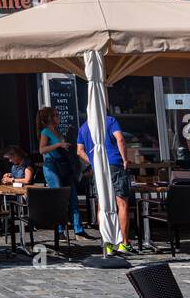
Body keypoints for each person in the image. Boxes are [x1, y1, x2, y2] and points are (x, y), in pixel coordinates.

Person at [77, 111, 132, 255]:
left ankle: (107, 243)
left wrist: (94, 162)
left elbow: (79, 151)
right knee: (122, 204)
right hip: (115, 164)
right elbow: (120, 139)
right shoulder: (110, 120)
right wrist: (125, 159)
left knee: (102, 205)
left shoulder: (84, 127)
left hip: (99, 168)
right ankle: (124, 243)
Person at [38, 107, 88, 238]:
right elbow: (42, 150)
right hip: (52, 166)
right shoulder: (45, 132)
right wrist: (59, 145)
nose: (58, 117)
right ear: (49, 118)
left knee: (73, 197)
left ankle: (78, 229)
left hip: (64, 166)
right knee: (59, 197)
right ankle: (60, 230)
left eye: (57, 115)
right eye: (55, 115)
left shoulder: (58, 132)